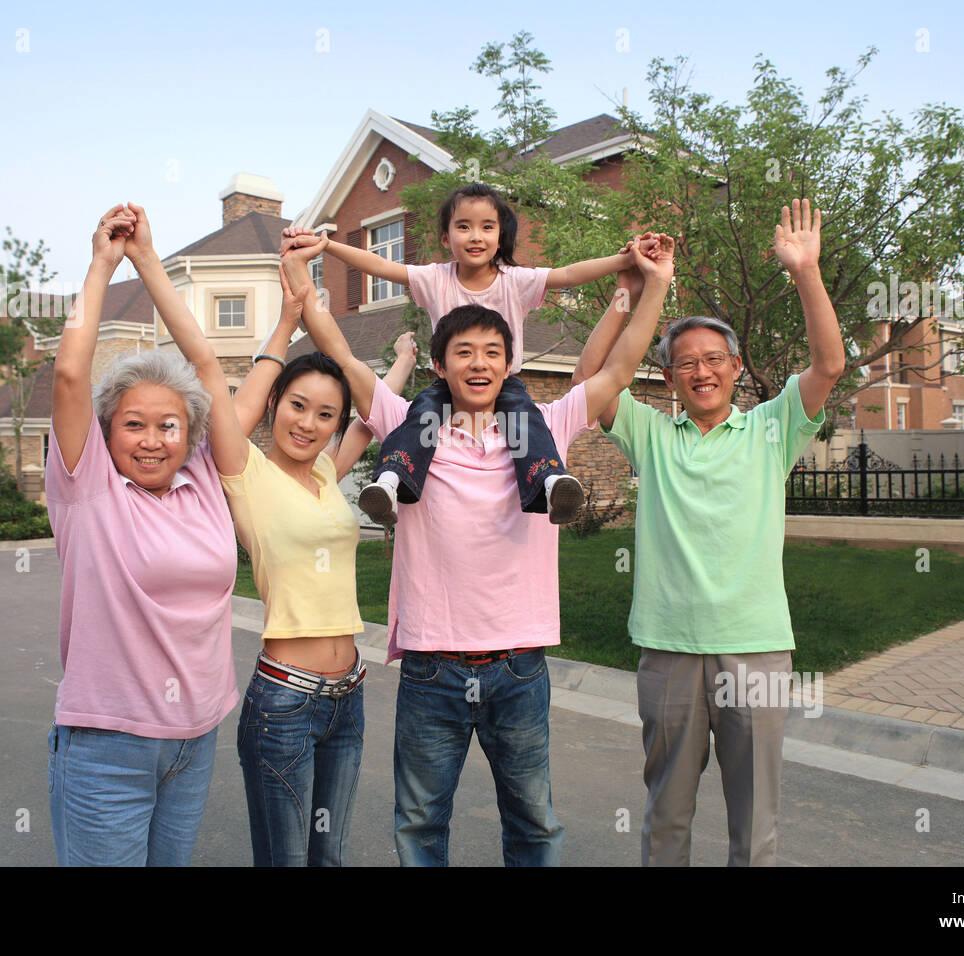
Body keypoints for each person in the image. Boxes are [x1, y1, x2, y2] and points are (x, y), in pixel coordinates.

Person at [283, 231, 675, 866]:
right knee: (419, 826)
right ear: (441, 366)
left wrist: (652, 285)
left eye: (493, 351)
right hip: (431, 666)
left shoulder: (546, 426)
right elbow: (341, 355)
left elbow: (618, 369)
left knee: (533, 824)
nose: (479, 362)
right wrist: (304, 277)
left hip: (517, 665)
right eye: (463, 351)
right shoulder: (408, 424)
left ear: (509, 363)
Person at [122, 207, 410, 866]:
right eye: (297, 406)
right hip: (284, 699)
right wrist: (146, 259)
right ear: (274, 404)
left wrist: (401, 358)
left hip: (350, 695)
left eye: (325, 415)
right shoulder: (245, 472)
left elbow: (377, 410)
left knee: (328, 858)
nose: (308, 423)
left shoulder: (328, 478)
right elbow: (200, 357)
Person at [578, 199, 844, 866]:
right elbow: (588, 383)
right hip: (669, 650)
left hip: (756, 650)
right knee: (667, 817)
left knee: (755, 827)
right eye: (686, 362)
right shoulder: (650, 434)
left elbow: (829, 365)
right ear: (668, 378)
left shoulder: (771, 428)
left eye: (714, 358)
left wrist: (806, 273)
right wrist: (632, 291)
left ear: (734, 366)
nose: (701, 371)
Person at [45, 205, 239, 866]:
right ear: (106, 433)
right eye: (133, 425)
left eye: (168, 426)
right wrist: (104, 262)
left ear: (190, 435)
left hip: (195, 738)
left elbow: (207, 364)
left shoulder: (205, 479)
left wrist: (150, 261)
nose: (152, 440)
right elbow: (71, 376)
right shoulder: (89, 489)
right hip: (109, 742)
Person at [283, 182, 650, 527]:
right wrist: (326, 246)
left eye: (487, 227)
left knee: (526, 422)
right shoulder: (434, 278)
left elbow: (568, 274)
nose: (476, 236)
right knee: (421, 418)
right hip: (445, 386)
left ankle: (552, 482)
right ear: (446, 238)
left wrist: (622, 263)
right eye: (464, 227)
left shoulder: (515, 280)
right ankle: (391, 482)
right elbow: (381, 265)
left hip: (506, 385)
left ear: (500, 236)